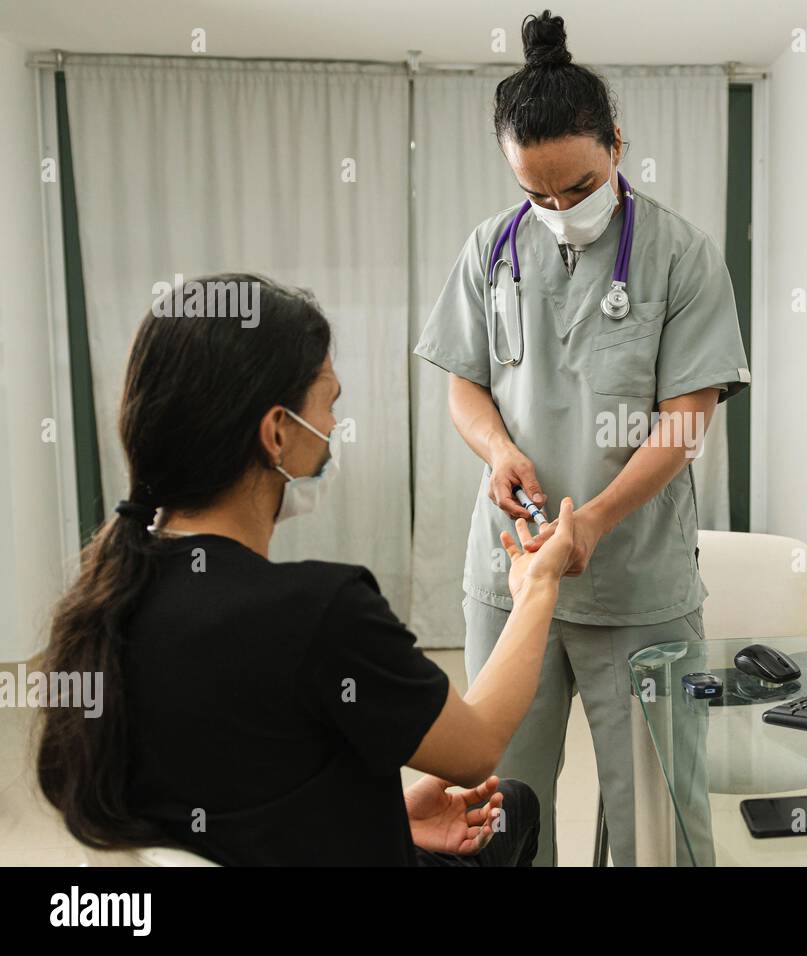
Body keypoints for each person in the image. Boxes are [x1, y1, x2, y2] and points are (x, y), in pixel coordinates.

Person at [37, 274, 575, 866]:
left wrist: (384, 818)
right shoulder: (320, 613)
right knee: (512, 807)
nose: (333, 430)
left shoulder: (102, 604)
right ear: (277, 433)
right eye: (329, 405)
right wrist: (536, 587)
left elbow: (236, 791)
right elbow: (476, 749)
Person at [415, 9, 750, 865]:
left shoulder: (683, 256)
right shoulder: (489, 249)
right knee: (499, 804)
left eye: (578, 185)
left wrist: (594, 520)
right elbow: (464, 382)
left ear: (616, 144)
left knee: (659, 809)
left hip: (634, 578)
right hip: (513, 572)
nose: (560, 209)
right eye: (538, 193)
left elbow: (686, 415)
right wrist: (497, 449)